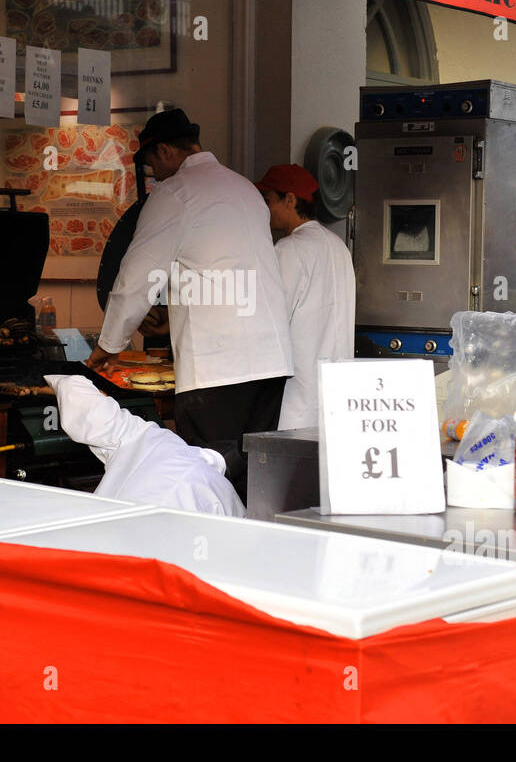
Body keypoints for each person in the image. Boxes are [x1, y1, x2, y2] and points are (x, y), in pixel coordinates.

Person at [87, 108, 293, 501]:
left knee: (209, 478)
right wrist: (173, 317)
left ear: (164, 151)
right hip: (270, 363)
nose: (153, 177)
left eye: (151, 167)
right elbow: (227, 269)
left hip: (220, 370)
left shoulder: (176, 193)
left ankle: (209, 556)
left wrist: (108, 346)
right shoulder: (244, 189)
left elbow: (136, 277)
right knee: (252, 480)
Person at [44, 375, 244, 516]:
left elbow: (78, 392)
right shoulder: (220, 490)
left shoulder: (148, 436)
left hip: (99, 537)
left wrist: (49, 382)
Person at [256, 163, 355, 430]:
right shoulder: (338, 246)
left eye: (268, 201)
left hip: (296, 398)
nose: (264, 210)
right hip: (335, 395)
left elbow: (270, 321)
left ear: (290, 199)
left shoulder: (289, 249)